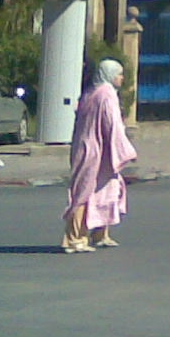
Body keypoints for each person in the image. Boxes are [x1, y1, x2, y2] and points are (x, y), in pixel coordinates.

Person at [62, 58, 138, 254]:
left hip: (89, 147)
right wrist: (125, 150)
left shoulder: (90, 92)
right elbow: (112, 124)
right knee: (84, 192)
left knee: (107, 188)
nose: (121, 78)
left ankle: (99, 233)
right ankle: (74, 238)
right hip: (95, 149)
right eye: (119, 74)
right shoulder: (106, 93)